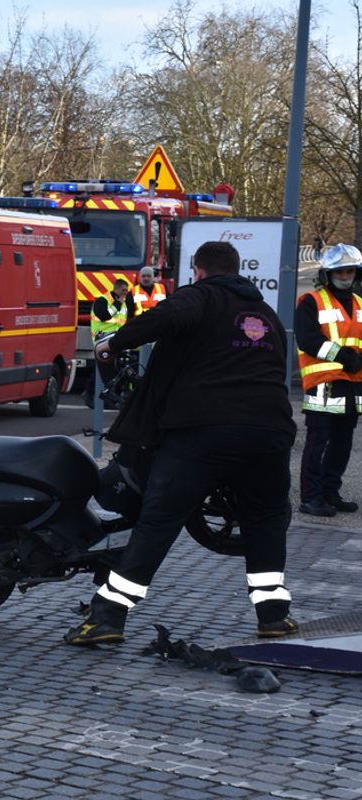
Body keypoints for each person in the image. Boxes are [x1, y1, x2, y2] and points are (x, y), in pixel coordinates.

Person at [66, 241, 297, 646]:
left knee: (159, 521)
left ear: (199, 271)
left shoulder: (200, 297)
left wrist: (110, 344)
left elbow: (164, 316)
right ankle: (274, 616)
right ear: (238, 271)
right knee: (265, 520)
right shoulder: (264, 313)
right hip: (269, 431)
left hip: (203, 430)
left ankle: (107, 618)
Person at [295, 243, 362, 517]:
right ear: (328, 273)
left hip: (354, 382)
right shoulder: (311, 301)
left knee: (343, 441)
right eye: (340, 271)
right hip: (323, 381)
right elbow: (309, 339)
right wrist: (345, 356)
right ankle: (311, 497)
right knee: (319, 440)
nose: (345, 276)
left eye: (349, 271)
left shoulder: (359, 304)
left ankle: (330, 492)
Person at [85, 279, 134, 408]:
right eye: (123, 290)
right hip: (102, 339)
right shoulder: (102, 301)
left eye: (127, 290)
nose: (126, 293)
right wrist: (117, 304)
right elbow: (104, 316)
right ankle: (91, 396)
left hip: (117, 340)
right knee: (104, 370)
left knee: (114, 369)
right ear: (116, 289)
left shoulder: (124, 303)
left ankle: (113, 397)